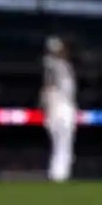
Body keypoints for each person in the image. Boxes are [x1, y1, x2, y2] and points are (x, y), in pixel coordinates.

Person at [41, 36, 78, 183]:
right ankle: (60, 175)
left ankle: (58, 174)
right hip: (60, 107)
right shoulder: (55, 65)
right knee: (63, 143)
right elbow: (52, 87)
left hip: (57, 107)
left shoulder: (55, 65)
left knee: (60, 144)